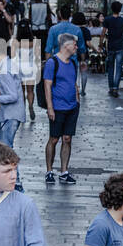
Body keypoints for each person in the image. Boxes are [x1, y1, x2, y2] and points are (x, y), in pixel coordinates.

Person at [43, 34, 81, 185]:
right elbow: (47, 86)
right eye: (75, 45)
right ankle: (49, 171)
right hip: (58, 108)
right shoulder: (52, 63)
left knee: (67, 139)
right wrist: (50, 108)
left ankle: (64, 171)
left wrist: (77, 100)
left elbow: (74, 83)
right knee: (54, 139)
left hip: (72, 107)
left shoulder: (73, 63)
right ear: (67, 46)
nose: (77, 47)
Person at [105, 2, 123, 96]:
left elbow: (102, 33)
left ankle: (111, 88)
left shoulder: (107, 19)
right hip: (120, 47)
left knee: (111, 68)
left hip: (111, 46)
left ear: (112, 9)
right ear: (120, 10)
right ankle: (116, 89)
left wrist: (100, 44)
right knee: (119, 68)